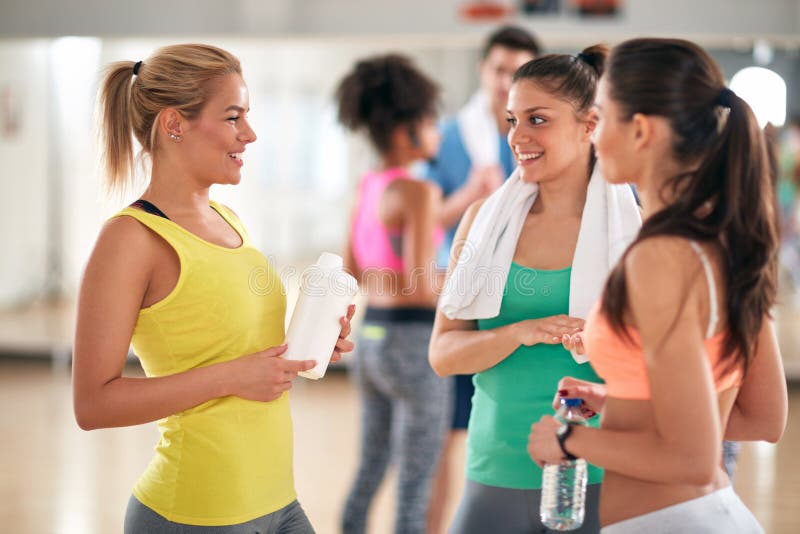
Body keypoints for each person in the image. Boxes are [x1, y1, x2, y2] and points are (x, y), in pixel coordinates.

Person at [72, 43, 355, 533]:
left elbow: (236, 350)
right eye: (232, 117)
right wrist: (231, 378)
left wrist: (313, 343)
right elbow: (93, 404)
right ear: (174, 124)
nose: (250, 134)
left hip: (278, 500)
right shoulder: (129, 238)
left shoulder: (229, 219)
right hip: (195, 512)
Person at [527, 38, 788, 533]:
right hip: (711, 514)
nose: (593, 134)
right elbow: (761, 417)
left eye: (600, 116)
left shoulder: (658, 258)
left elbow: (692, 457)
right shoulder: (723, 241)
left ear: (641, 130)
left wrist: (566, 441)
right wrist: (614, 403)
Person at [429, 45, 642, 534]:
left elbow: (658, 369)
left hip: (601, 471)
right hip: (495, 467)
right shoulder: (482, 222)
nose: (517, 137)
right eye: (511, 120)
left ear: (591, 125)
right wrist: (520, 331)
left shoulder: (637, 231)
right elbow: (442, 354)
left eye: (538, 120)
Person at [424, 26, 540, 532]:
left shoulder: (543, 137)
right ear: (482, 70)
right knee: (445, 437)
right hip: (466, 297)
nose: (505, 81)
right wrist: (473, 191)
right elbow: (423, 219)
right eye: (499, 70)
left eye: (518, 71)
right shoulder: (452, 137)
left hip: (530, 296)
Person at [336, 54, 453, 534]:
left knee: (369, 468)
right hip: (415, 346)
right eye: (432, 122)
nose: (437, 133)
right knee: (414, 484)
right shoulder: (419, 192)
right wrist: (475, 286)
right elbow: (424, 284)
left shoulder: (368, 187)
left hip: (373, 339)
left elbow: (353, 272)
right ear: (409, 128)